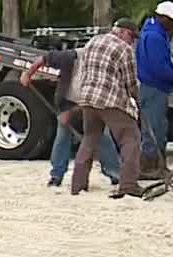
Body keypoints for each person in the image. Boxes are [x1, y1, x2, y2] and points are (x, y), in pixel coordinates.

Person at [21, 48, 120, 188]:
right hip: (68, 100)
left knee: (103, 136)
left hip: (91, 102)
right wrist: (28, 73)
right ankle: (56, 175)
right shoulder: (73, 56)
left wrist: (72, 113)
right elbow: (46, 57)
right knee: (63, 136)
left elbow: (98, 96)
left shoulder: (104, 66)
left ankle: (115, 173)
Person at [71, 18, 143, 198]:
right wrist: (136, 98)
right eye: (132, 37)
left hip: (87, 98)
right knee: (130, 139)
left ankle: (78, 185)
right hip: (110, 100)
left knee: (89, 140)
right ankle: (128, 185)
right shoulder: (123, 49)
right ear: (125, 32)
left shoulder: (93, 41)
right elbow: (130, 81)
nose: (132, 42)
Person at [136, 0, 173, 178]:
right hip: (153, 87)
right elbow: (157, 66)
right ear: (162, 18)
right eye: (171, 20)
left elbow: (159, 56)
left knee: (159, 127)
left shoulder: (155, 33)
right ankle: (149, 167)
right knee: (153, 128)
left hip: (155, 87)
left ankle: (158, 165)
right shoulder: (154, 37)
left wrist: (171, 53)